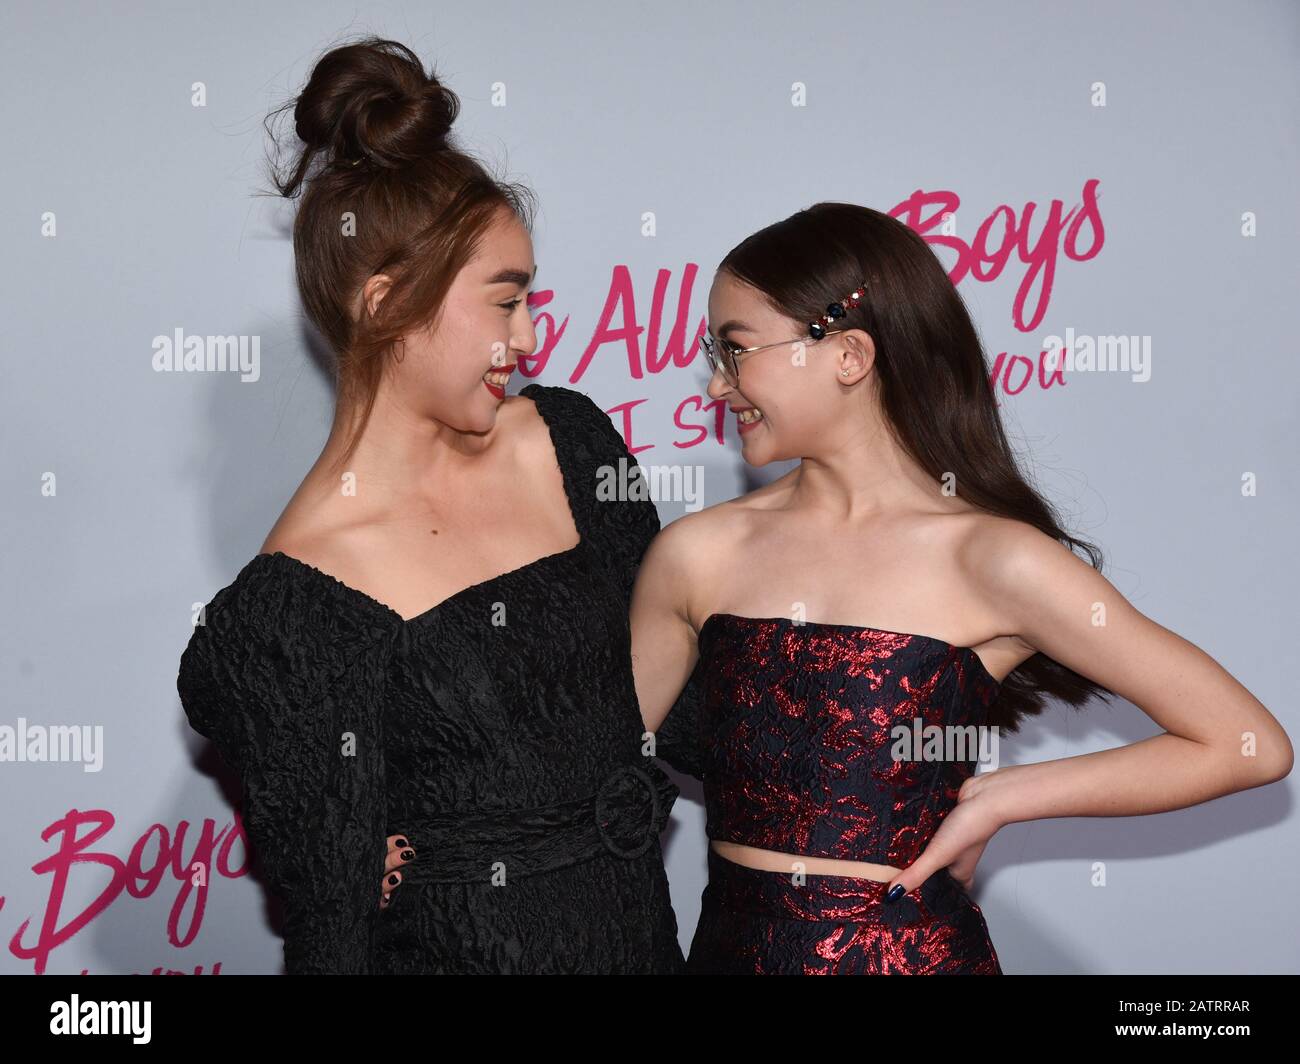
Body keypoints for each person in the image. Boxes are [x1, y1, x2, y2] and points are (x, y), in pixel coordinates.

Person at [631, 201, 1294, 975]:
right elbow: (597, 772)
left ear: (847, 355)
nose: (717, 385)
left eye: (737, 350)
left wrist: (1002, 797)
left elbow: (1247, 745)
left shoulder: (993, 559)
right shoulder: (696, 553)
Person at [177, 36, 700, 974]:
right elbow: (333, 938)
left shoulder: (571, 444)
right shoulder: (295, 606)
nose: (529, 337)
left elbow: (685, 694)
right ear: (385, 303)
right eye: (504, 303)